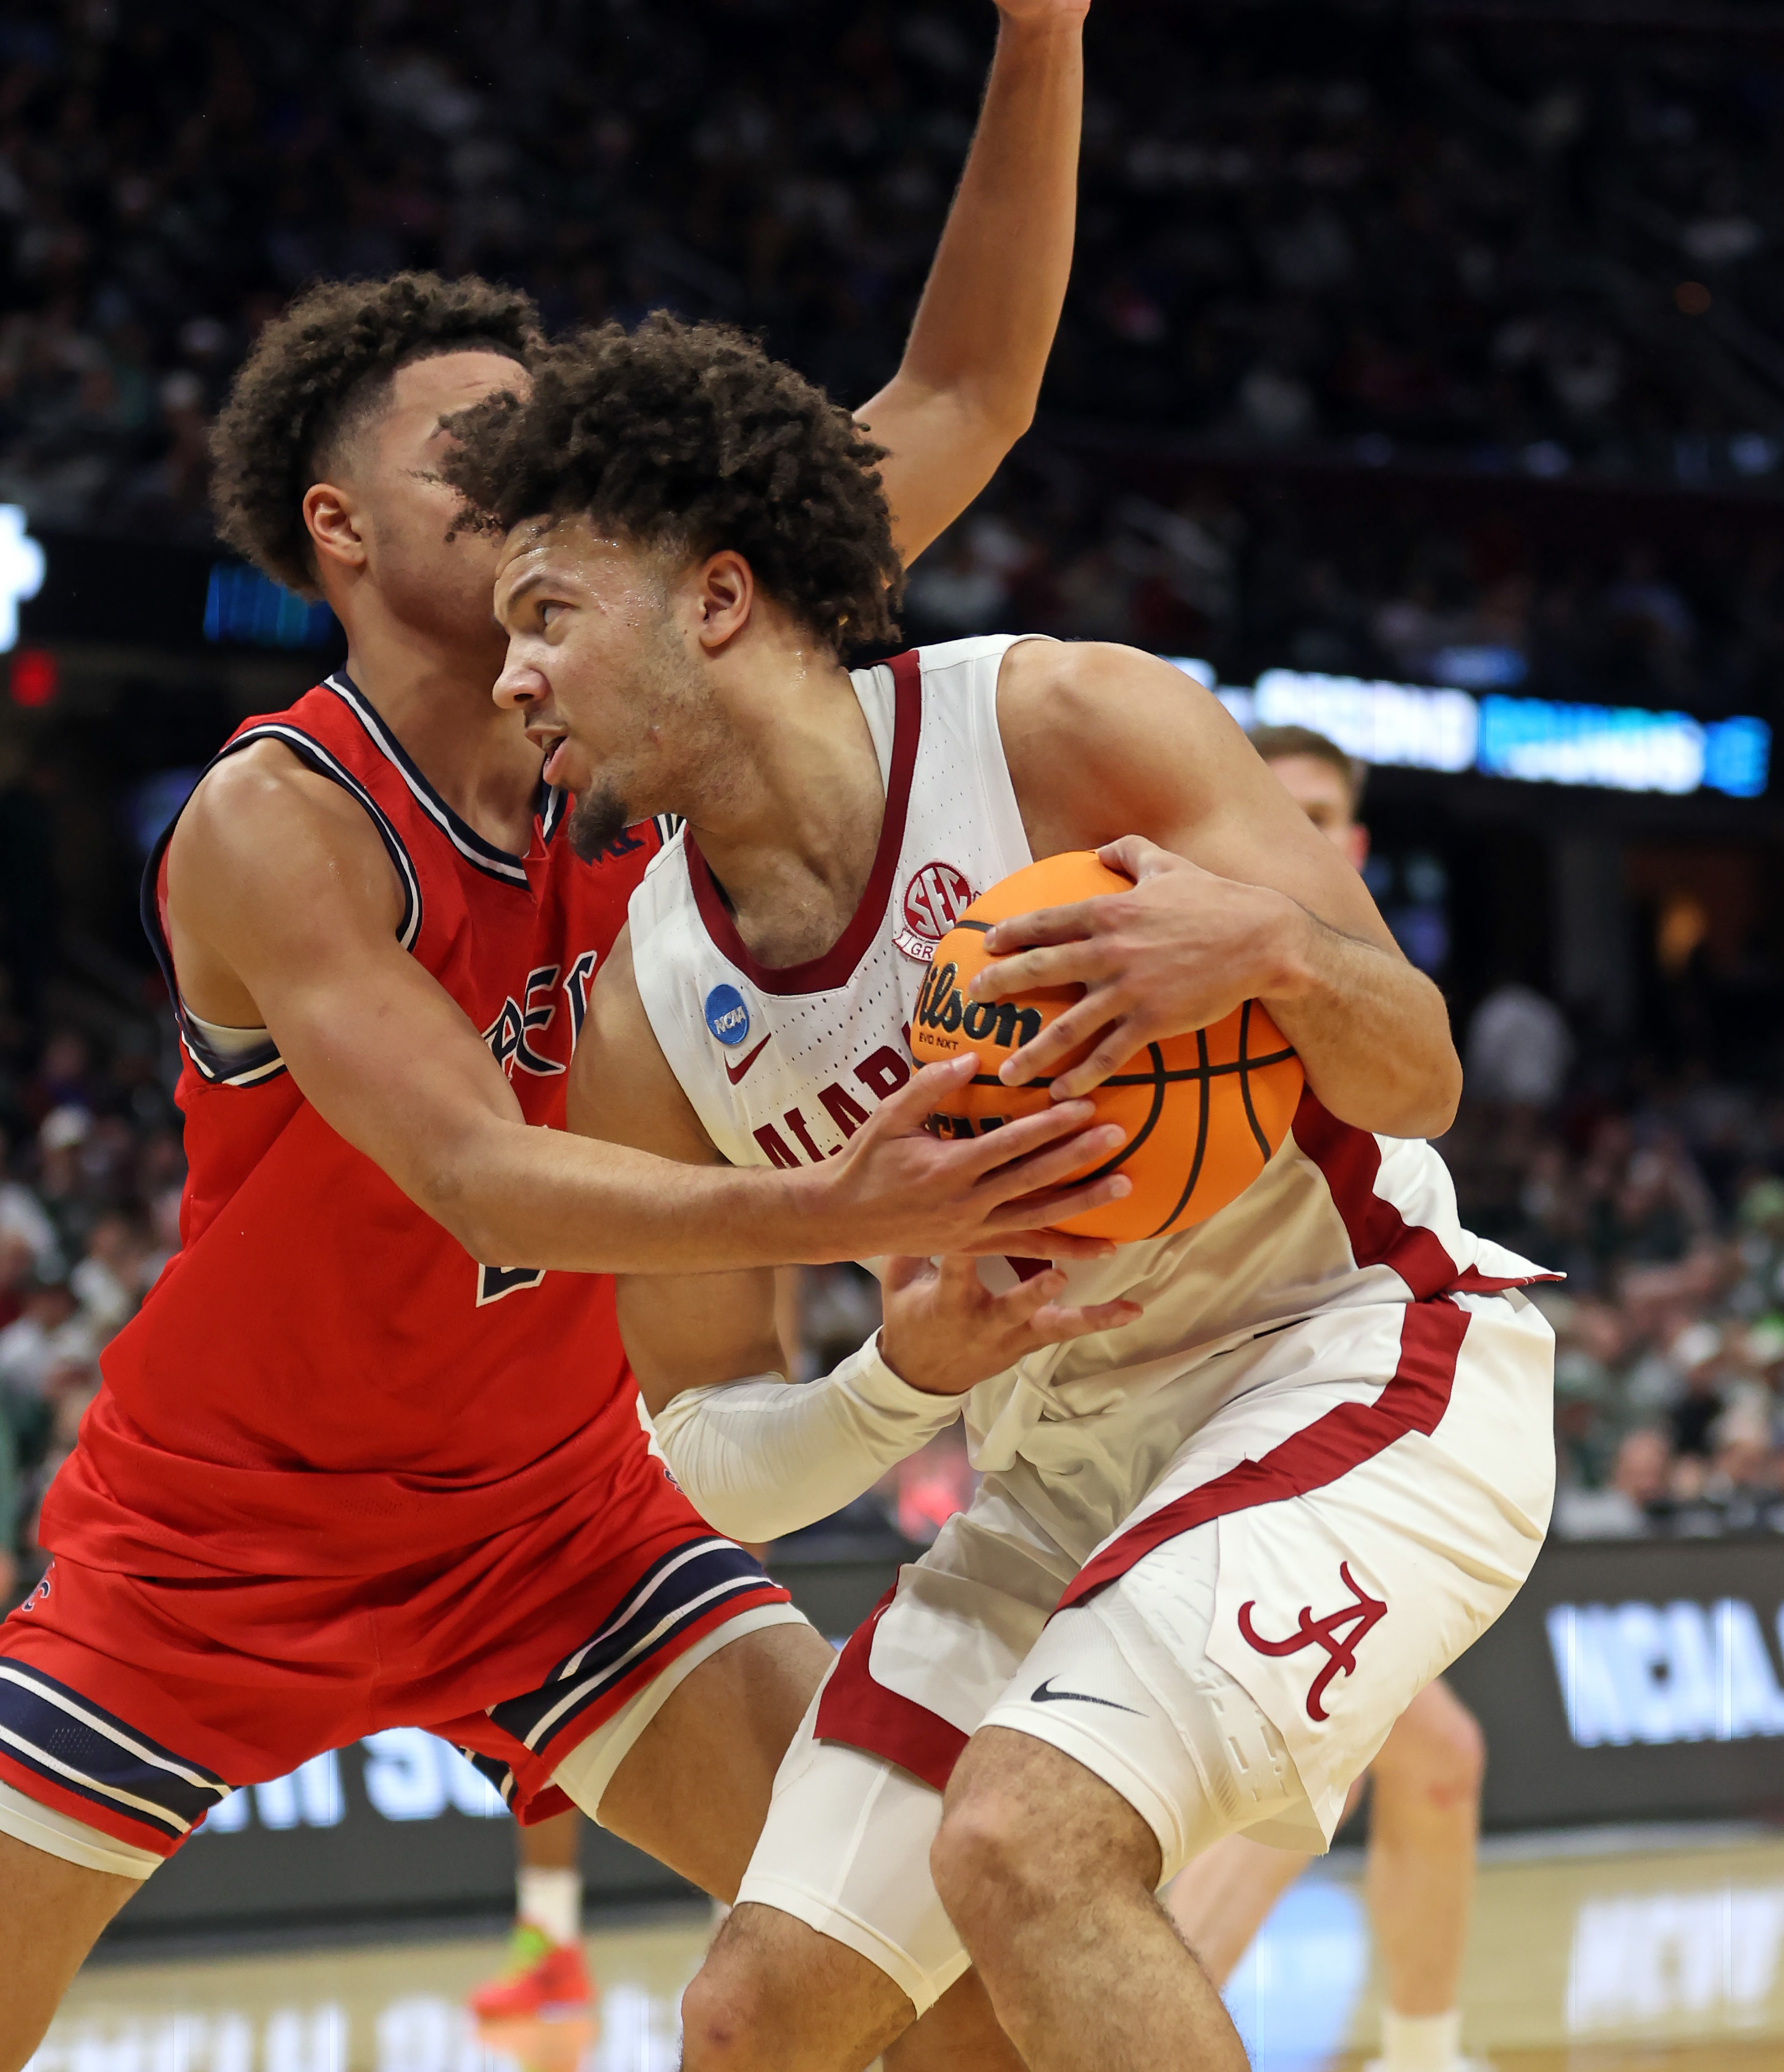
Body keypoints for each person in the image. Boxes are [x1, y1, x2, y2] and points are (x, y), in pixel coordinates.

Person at [0, 9, 1117, 2065]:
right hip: (226, 1533)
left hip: (558, 1518)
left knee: (949, 1975)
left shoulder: (650, 699)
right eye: (472, 456)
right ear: (337, 531)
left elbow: (962, 388)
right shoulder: (283, 817)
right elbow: (474, 1171)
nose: (534, 482)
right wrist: (841, 1197)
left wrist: (1038, 42)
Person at [441, 316, 1557, 2072]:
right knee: (756, 2017)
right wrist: (910, 1378)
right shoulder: (649, 1013)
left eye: (546, 616)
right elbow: (713, 1456)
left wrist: (1272, 947)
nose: (510, 680)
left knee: (1025, 1843)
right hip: (1054, 1472)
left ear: (716, 601)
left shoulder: (1061, 720)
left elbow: (1417, 1072)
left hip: (1349, 1352)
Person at [457, 2, 1095, 2020]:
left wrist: (1036, 35)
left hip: (592, 1417)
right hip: (344, 1414)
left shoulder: (702, 640)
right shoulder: (379, 777)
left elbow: (966, 386)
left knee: (894, 1974)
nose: (518, 636)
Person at [1164, 723, 1500, 2072]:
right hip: (1166, 1417)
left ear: (1353, 847)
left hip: (1309, 1415)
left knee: (1432, 1758)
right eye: (1269, 807)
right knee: (1325, 1752)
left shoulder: (1374, 1012)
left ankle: (1424, 2052)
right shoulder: (1163, 993)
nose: (1290, 835)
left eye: (1316, 816)